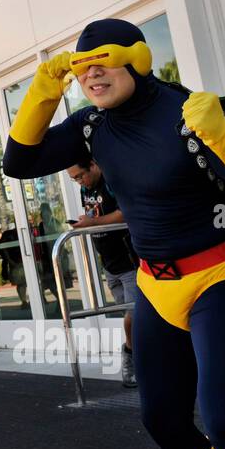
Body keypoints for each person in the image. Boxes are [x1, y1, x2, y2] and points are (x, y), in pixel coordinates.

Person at [3, 18, 225, 449]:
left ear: (136, 59)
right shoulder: (91, 125)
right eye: (81, 68)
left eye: (104, 63)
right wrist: (44, 90)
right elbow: (19, 162)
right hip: (154, 286)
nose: (92, 75)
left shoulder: (188, 111)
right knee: (162, 419)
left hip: (221, 275)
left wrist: (223, 134)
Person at [67, 158, 139, 388]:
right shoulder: (86, 189)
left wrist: (93, 221)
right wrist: (86, 222)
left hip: (129, 261)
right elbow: (94, 215)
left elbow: (125, 213)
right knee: (129, 316)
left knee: (135, 316)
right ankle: (135, 355)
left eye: (80, 176)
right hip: (109, 263)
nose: (80, 182)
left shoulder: (112, 180)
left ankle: (131, 355)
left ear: (93, 165)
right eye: (74, 179)